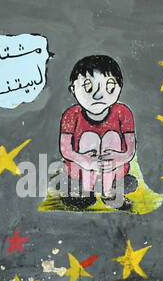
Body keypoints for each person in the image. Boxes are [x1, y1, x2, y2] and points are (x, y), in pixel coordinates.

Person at [58, 54, 137, 210]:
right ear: (73, 89)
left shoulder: (123, 112)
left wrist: (117, 159)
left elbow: (130, 149)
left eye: (109, 86)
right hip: (81, 170)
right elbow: (65, 149)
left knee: (112, 137)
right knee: (88, 138)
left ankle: (107, 192)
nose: (98, 95)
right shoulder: (71, 115)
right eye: (88, 87)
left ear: (119, 87)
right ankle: (88, 191)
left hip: (114, 170)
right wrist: (85, 161)